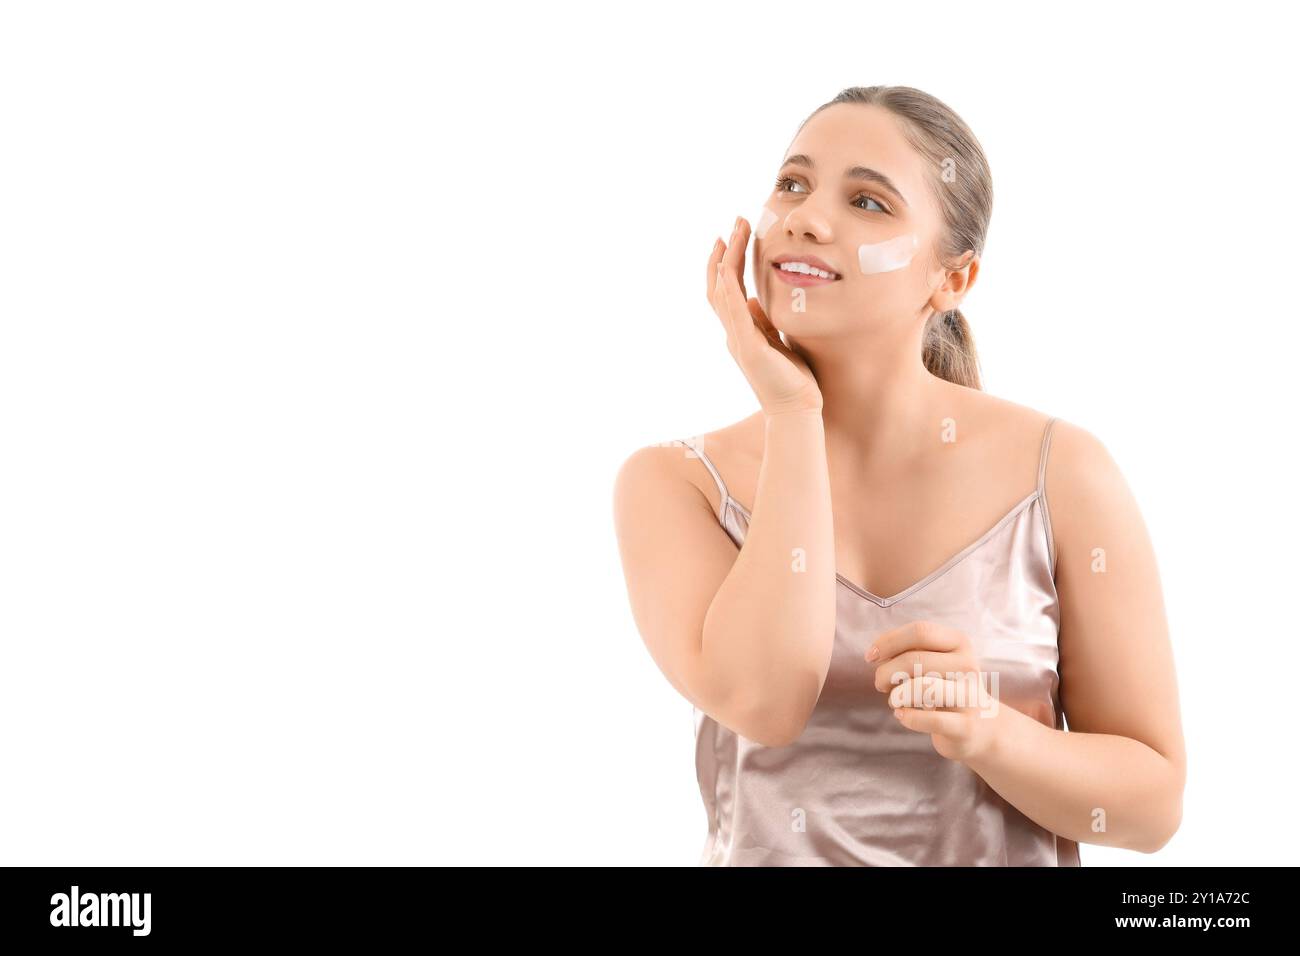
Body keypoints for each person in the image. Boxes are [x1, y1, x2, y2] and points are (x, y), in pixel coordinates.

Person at [612, 85, 1185, 866]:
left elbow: (1150, 810)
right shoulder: (675, 483)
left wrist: (989, 730)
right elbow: (764, 701)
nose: (806, 218)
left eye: (869, 202)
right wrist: (792, 415)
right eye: (793, 184)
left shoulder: (1062, 473)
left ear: (952, 280)